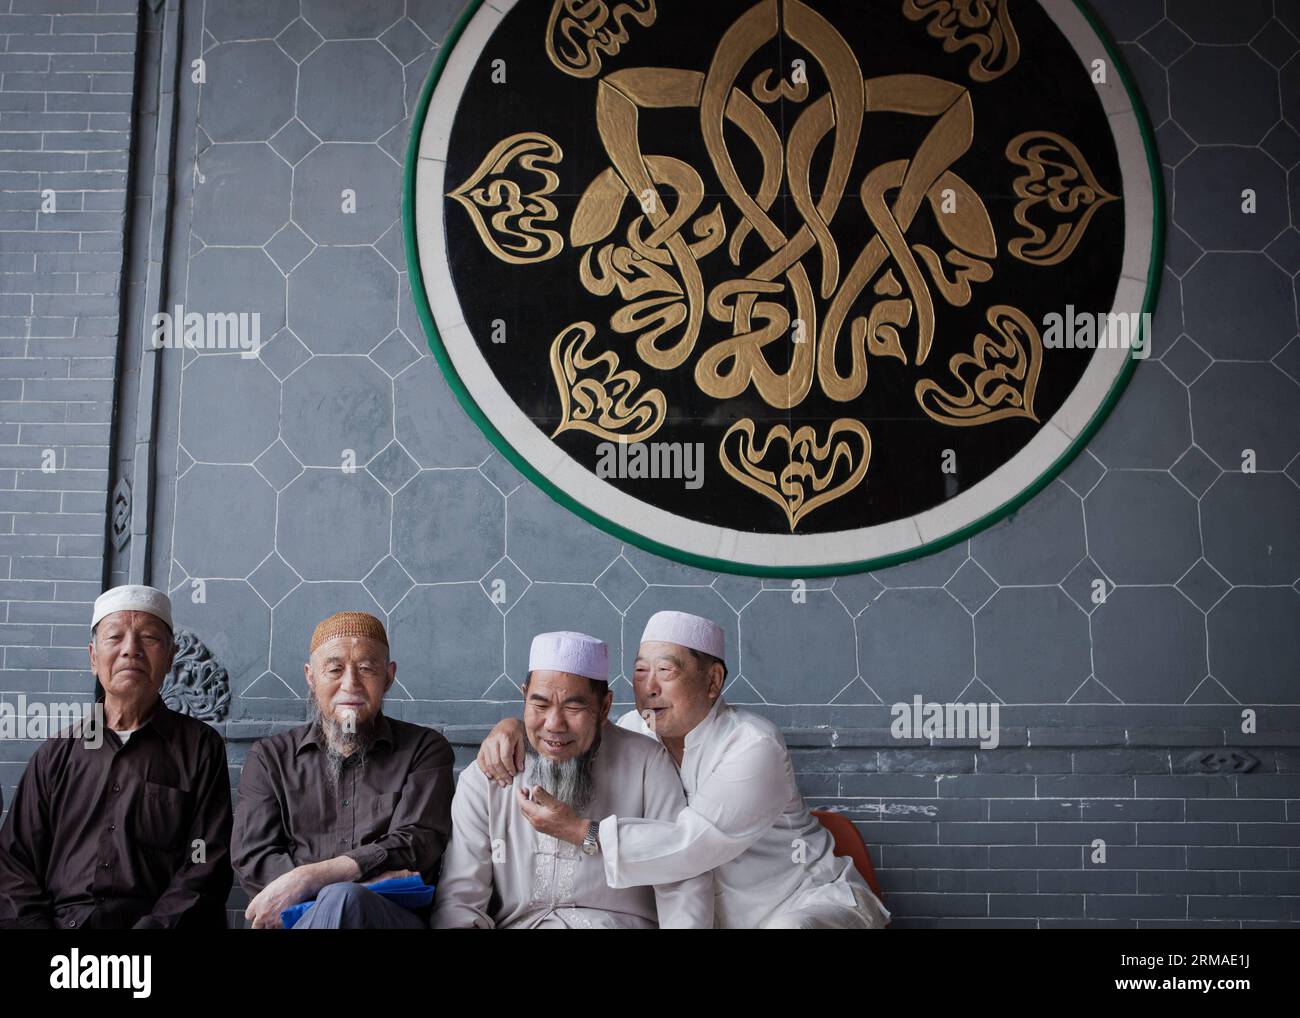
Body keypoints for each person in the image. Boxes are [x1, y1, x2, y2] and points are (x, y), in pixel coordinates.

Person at [478, 611, 891, 929]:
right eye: (640, 671)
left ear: (713, 681)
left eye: (666, 670)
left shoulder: (753, 744)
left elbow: (694, 843)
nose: (649, 687)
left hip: (802, 905)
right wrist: (513, 727)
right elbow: (567, 727)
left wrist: (578, 830)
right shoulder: (635, 730)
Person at [433, 631, 712, 928]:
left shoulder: (647, 764)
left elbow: (681, 880)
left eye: (574, 707)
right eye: (539, 705)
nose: (554, 724)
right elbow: (460, 900)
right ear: (524, 696)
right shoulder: (488, 775)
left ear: (604, 707)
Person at [0, 585, 233, 929]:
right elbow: (14, 865)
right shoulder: (56, 756)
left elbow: (205, 861)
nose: (131, 650)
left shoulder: (200, 749)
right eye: (115, 638)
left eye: (149, 638)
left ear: (169, 657)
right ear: (94, 657)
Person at [232, 611, 454, 928]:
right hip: (296, 921)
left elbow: (417, 843)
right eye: (335, 669)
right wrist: (350, 885)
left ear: (389, 676)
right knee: (342, 898)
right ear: (310, 676)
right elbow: (254, 856)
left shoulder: (425, 749)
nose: (351, 684)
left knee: (347, 900)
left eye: (366, 669)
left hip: (390, 918)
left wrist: (314, 876)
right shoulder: (270, 758)